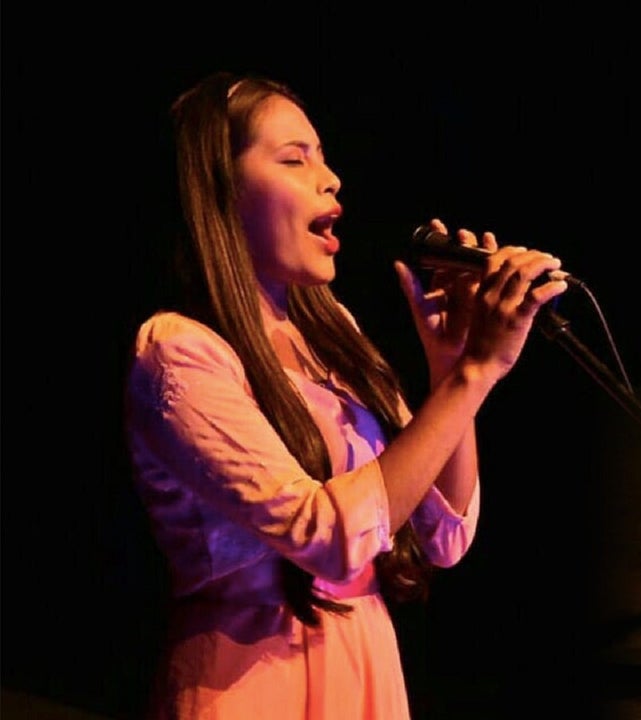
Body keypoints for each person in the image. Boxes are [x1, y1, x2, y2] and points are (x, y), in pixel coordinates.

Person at [123, 70, 569, 719]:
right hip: (250, 677)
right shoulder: (180, 353)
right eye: (294, 159)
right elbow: (327, 535)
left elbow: (442, 535)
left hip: (364, 660)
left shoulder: (330, 333)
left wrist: (451, 374)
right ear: (221, 191)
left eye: (324, 157)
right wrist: (476, 372)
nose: (329, 178)